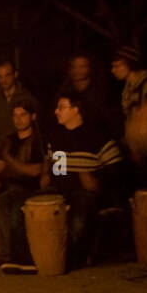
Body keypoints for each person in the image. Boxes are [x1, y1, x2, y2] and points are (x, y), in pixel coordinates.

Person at [41, 92, 125, 270]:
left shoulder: (97, 137)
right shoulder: (57, 137)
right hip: (62, 191)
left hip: (87, 194)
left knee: (78, 217)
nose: (56, 111)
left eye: (61, 107)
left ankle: (68, 258)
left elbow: (116, 174)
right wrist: (48, 176)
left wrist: (96, 182)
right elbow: (59, 171)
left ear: (75, 110)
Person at [0, 94, 46, 271]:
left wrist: (12, 162)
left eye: (22, 115)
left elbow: (36, 171)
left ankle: (20, 256)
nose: (18, 120)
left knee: (11, 207)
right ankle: (7, 254)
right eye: (15, 115)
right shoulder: (9, 140)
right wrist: (12, 165)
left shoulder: (39, 141)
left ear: (33, 116)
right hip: (9, 186)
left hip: (31, 188)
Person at [110, 47, 147, 191]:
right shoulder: (129, 88)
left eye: (117, 66)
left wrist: (141, 146)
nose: (113, 70)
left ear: (131, 64)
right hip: (137, 150)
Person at [59, 53, 120, 142]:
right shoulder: (63, 91)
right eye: (73, 66)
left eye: (82, 66)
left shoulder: (100, 91)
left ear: (90, 68)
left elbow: (110, 119)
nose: (77, 70)